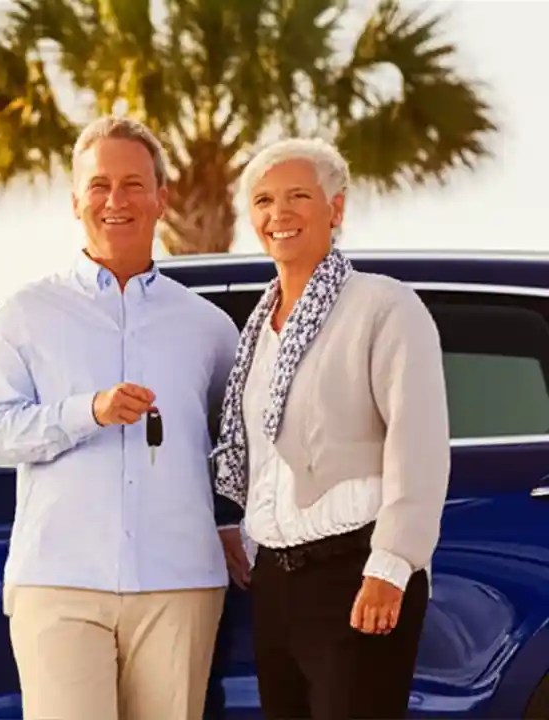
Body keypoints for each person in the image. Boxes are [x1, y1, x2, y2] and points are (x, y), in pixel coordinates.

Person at [0, 115, 241, 720]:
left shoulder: (206, 326)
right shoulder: (25, 313)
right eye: (99, 185)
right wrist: (86, 412)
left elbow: (243, 445)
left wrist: (235, 525)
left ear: (161, 199)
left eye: (132, 184)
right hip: (60, 580)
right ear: (75, 201)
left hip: (179, 582)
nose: (115, 200)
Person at [211, 137, 450, 719]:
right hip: (276, 584)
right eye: (264, 201)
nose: (279, 213)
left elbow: (418, 446)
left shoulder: (383, 307)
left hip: (354, 573)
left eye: (299, 196)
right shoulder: (257, 333)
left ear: (335, 209)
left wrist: (391, 566)